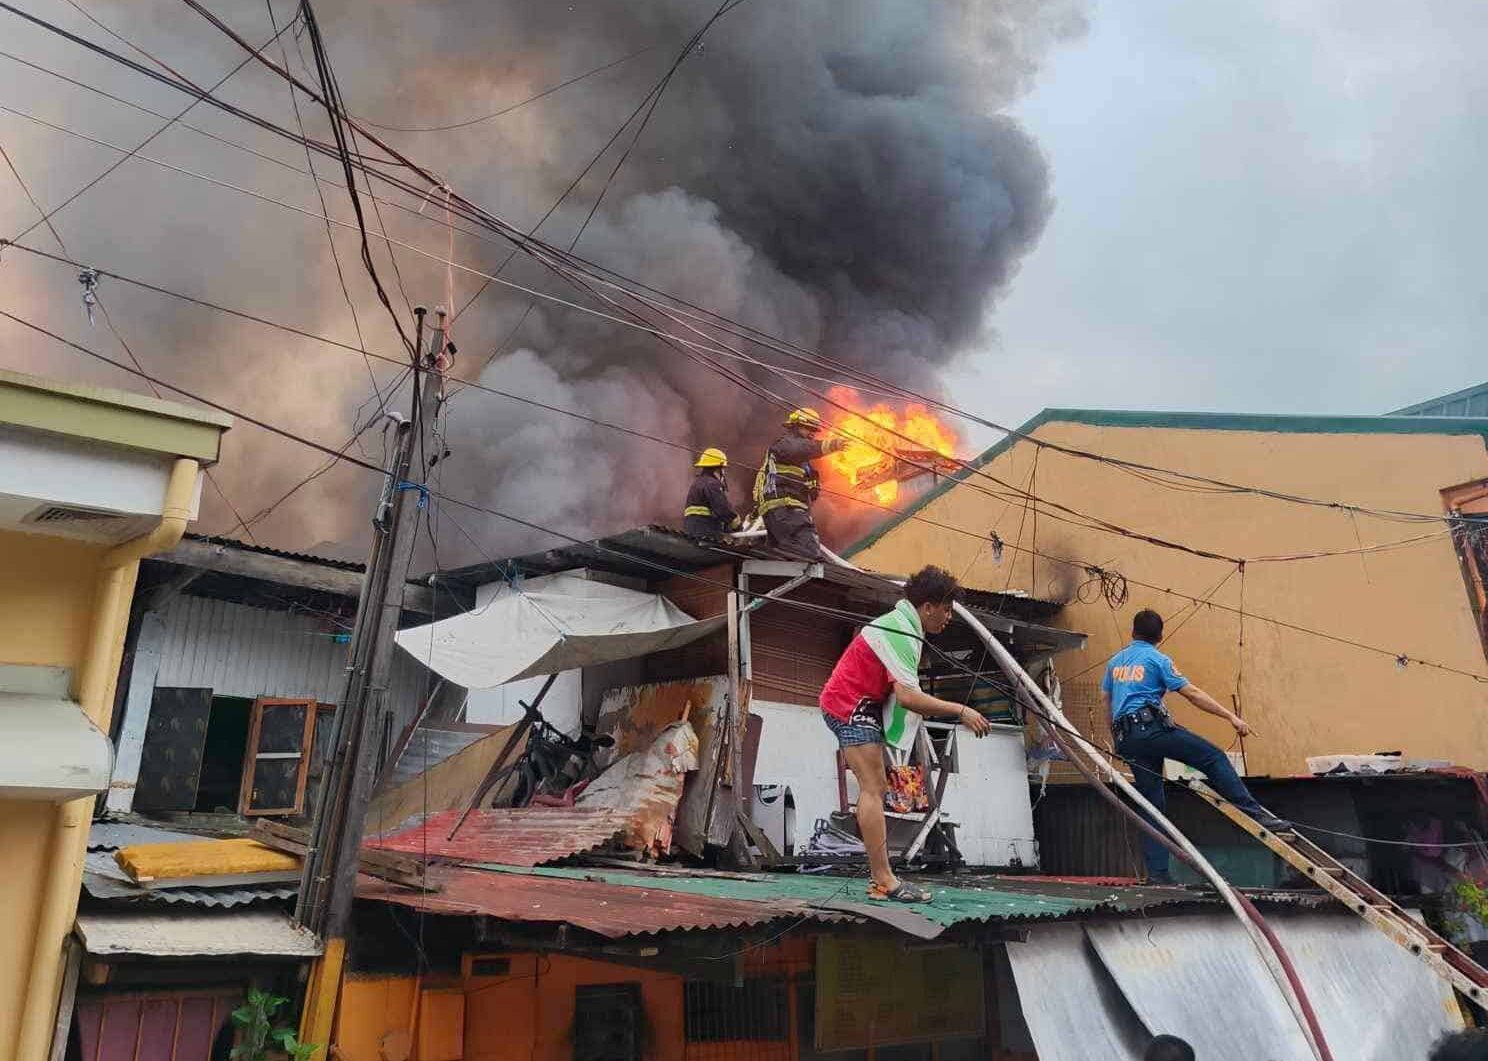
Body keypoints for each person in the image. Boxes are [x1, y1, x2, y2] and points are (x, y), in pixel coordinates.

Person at [819, 565, 992, 902]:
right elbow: (909, 697)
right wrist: (961, 710)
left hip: (859, 703)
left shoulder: (904, 628)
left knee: (877, 788)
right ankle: (884, 879)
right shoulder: (900, 631)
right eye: (946, 610)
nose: (948, 619)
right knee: (873, 789)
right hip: (849, 704)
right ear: (927, 607)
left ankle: (880, 876)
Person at [1103, 607, 1290, 883]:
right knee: (1213, 757)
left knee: (1152, 805)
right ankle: (1255, 814)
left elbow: (1107, 701)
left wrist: (1119, 741)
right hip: (1151, 731)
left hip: (1128, 738)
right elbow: (1192, 694)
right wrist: (1231, 717)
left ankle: (1158, 874)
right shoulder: (1158, 659)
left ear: (1133, 632)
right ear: (1160, 636)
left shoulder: (1115, 663)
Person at [755, 407, 845, 559]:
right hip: (786, 510)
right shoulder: (784, 444)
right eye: (808, 428)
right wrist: (833, 445)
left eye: (814, 430)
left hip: (783, 512)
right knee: (809, 553)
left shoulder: (801, 461)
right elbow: (799, 448)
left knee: (786, 558)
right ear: (795, 426)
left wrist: (811, 482)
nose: (812, 433)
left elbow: (803, 473)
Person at [682, 447, 741, 538]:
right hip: (705, 534)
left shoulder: (697, 483)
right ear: (718, 469)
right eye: (723, 469)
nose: (724, 473)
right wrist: (735, 523)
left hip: (691, 532)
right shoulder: (712, 484)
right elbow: (722, 509)